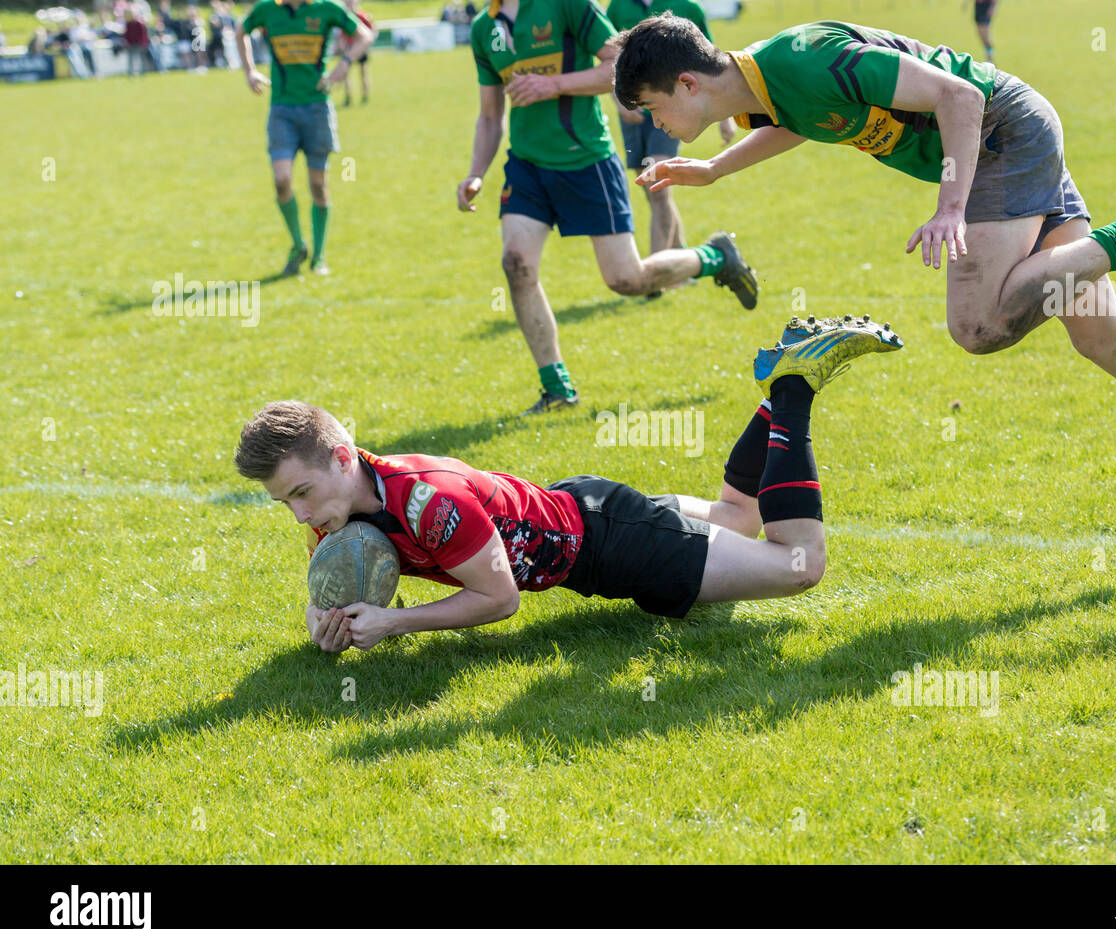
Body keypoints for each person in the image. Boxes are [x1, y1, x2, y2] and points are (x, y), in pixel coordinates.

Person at [613, 16, 1116, 571]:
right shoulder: (770, 82)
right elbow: (806, 119)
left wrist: (950, 207)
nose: (653, 124)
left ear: (686, 83)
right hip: (1010, 138)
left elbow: (960, 98)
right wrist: (714, 167)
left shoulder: (800, 59)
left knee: (979, 323)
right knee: (1102, 335)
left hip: (1001, 137)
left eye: (650, 109)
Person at [232, 316, 901, 650]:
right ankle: (777, 390)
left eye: (300, 493)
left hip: (615, 543)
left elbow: (499, 600)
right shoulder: (336, 511)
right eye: (285, 500)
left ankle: (792, 388)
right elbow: (337, 588)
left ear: (343, 457)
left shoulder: (427, 500)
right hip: (586, 512)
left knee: (796, 563)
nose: (299, 516)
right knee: (739, 516)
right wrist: (329, 621)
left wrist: (395, 623)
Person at [458, 0, 759, 416]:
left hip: (586, 163)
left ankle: (712, 257)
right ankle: (557, 387)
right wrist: (476, 172)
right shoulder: (481, 29)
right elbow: (491, 116)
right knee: (516, 264)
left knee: (627, 279)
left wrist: (555, 84)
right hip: (526, 165)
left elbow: (619, 67)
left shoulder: (565, 6)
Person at [236, 0, 374, 276]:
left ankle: (319, 255)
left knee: (318, 186)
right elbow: (241, 30)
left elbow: (365, 35)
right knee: (282, 179)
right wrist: (249, 70)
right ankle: (299, 244)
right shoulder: (267, 9)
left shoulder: (326, 8)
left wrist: (344, 63)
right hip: (281, 109)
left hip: (317, 108)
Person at [605, 0, 736, 271]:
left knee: (657, 183)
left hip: (673, 107)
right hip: (635, 111)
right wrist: (619, 100)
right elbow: (611, 57)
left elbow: (713, 65)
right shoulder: (617, 6)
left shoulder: (688, 7)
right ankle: (680, 256)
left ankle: (657, 273)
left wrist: (726, 118)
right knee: (651, 187)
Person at [336, 0, 373, 106]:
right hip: (349, 49)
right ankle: (348, 97)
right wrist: (342, 46)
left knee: (363, 73)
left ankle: (365, 96)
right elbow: (342, 34)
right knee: (346, 74)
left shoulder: (362, 16)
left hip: (360, 49)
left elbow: (370, 31)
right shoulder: (345, 17)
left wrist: (364, 46)